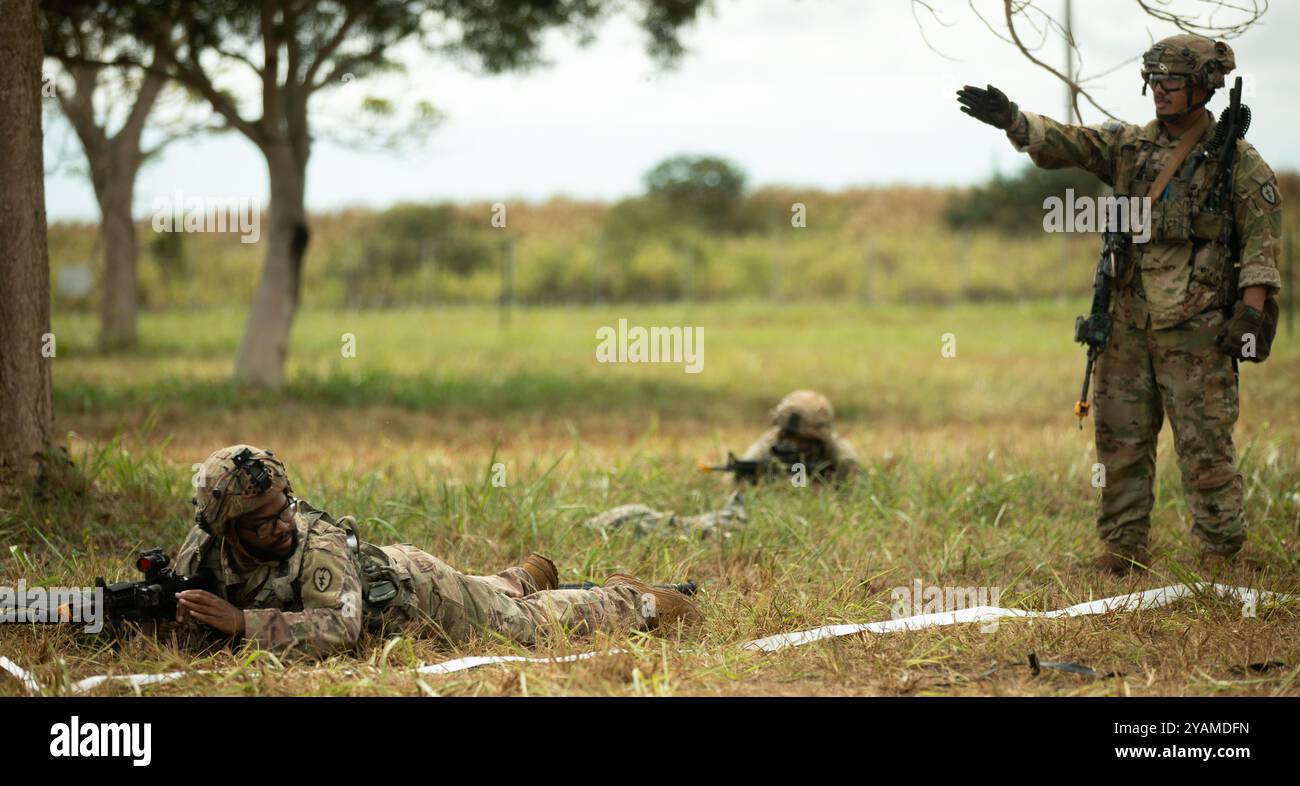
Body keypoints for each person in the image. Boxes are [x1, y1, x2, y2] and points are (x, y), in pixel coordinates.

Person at [957, 34, 1282, 573]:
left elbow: (1261, 247)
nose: (1159, 91)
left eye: (1171, 82)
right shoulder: (1130, 146)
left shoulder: (1239, 165)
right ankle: (1121, 550)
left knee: (1205, 446)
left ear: (1202, 86)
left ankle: (1221, 555)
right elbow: (1070, 142)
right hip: (1128, 320)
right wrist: (1014, 119)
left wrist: (1249, 313)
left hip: (1195, 328)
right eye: (1153, 81)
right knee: (1119, 441)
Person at [169, 445, 700, 659]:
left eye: (286, 506)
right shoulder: (204, 545)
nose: (284, 523)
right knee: (496, 595)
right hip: (393, 576)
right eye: (264, 522)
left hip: (420, 595)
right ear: (226, 527)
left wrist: (243, 622)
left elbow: (340, 629)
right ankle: (520, 575)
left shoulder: (318, 542)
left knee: (526, 627)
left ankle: (637, 602)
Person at [735, 390, 859, 484]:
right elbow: (737, 475)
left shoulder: (842, 457)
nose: (792, 443)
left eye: (802, 439)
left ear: (819, 439)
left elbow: (852, 489)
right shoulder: (770, 443)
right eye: (787, 435)